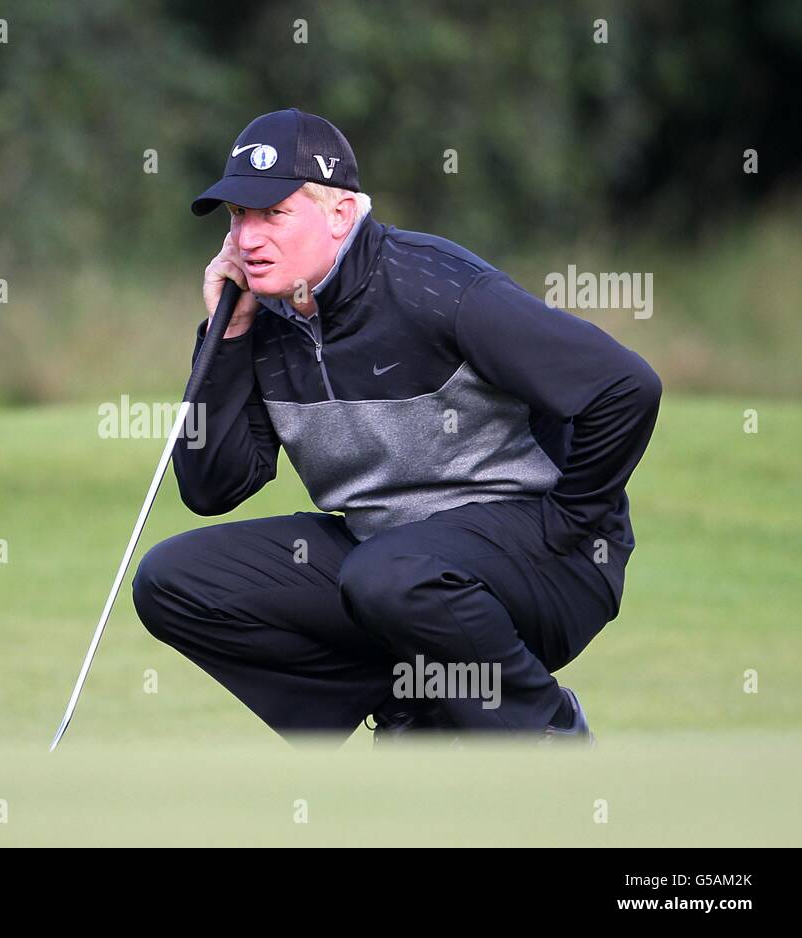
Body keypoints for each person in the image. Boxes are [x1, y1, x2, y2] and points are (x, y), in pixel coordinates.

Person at [130, 108, 663, 746]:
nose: (246, 238)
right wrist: (229, 337)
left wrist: (569, 522)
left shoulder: (435, 286)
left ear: (341, 213)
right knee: (176, 581)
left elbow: (625, 386)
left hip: (549, 561)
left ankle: (545, 731)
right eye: (237, 215)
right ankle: (412, 701)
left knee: (389, 572)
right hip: (392, 564)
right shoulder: (262, 322)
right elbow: (214, 488)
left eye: (273, 213)